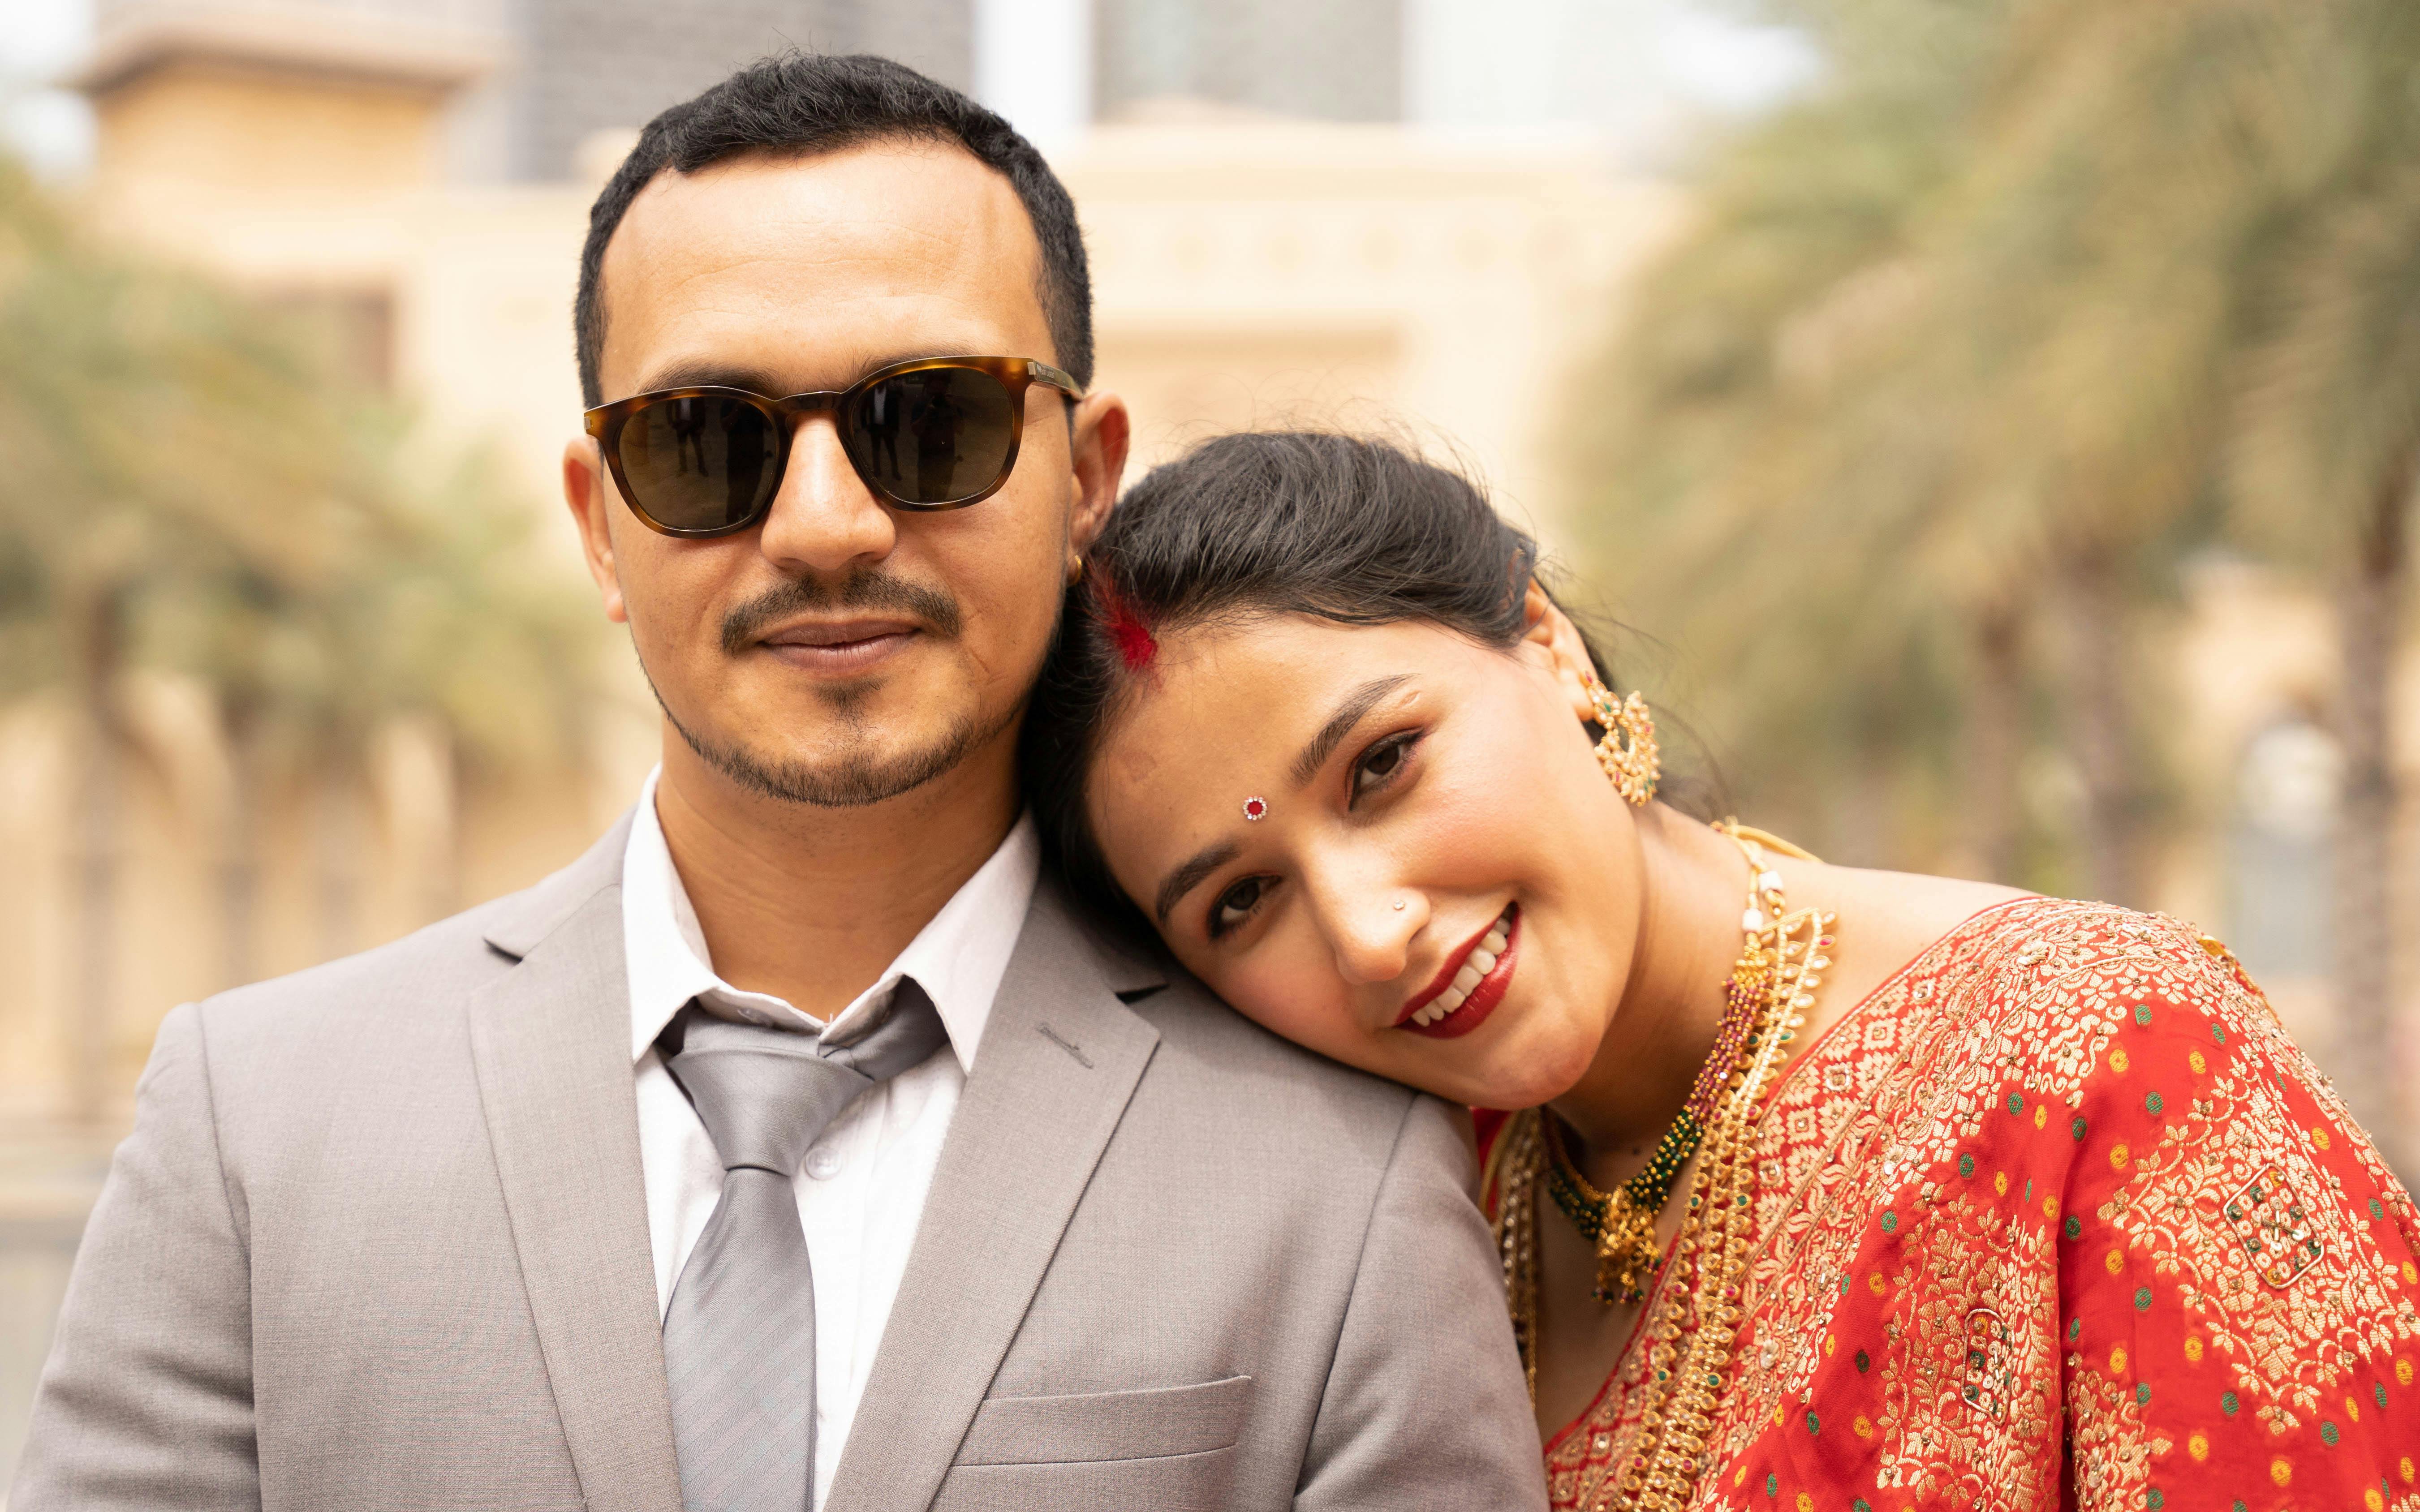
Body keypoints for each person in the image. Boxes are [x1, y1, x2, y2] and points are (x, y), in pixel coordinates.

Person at [11, 59, 1545, 1512]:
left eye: (927, 419)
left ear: (1085, 477)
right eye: (702, 443)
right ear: (600, 527)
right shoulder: (258, 1129)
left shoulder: (1342, 1169)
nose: (824, 525)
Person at [1023, 429, 2420, 1510]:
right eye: (1242, 902)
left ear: (1543, 644)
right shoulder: (1413, 1210)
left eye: (1381, 767)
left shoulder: (2102, 1053)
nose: (1369, 928)